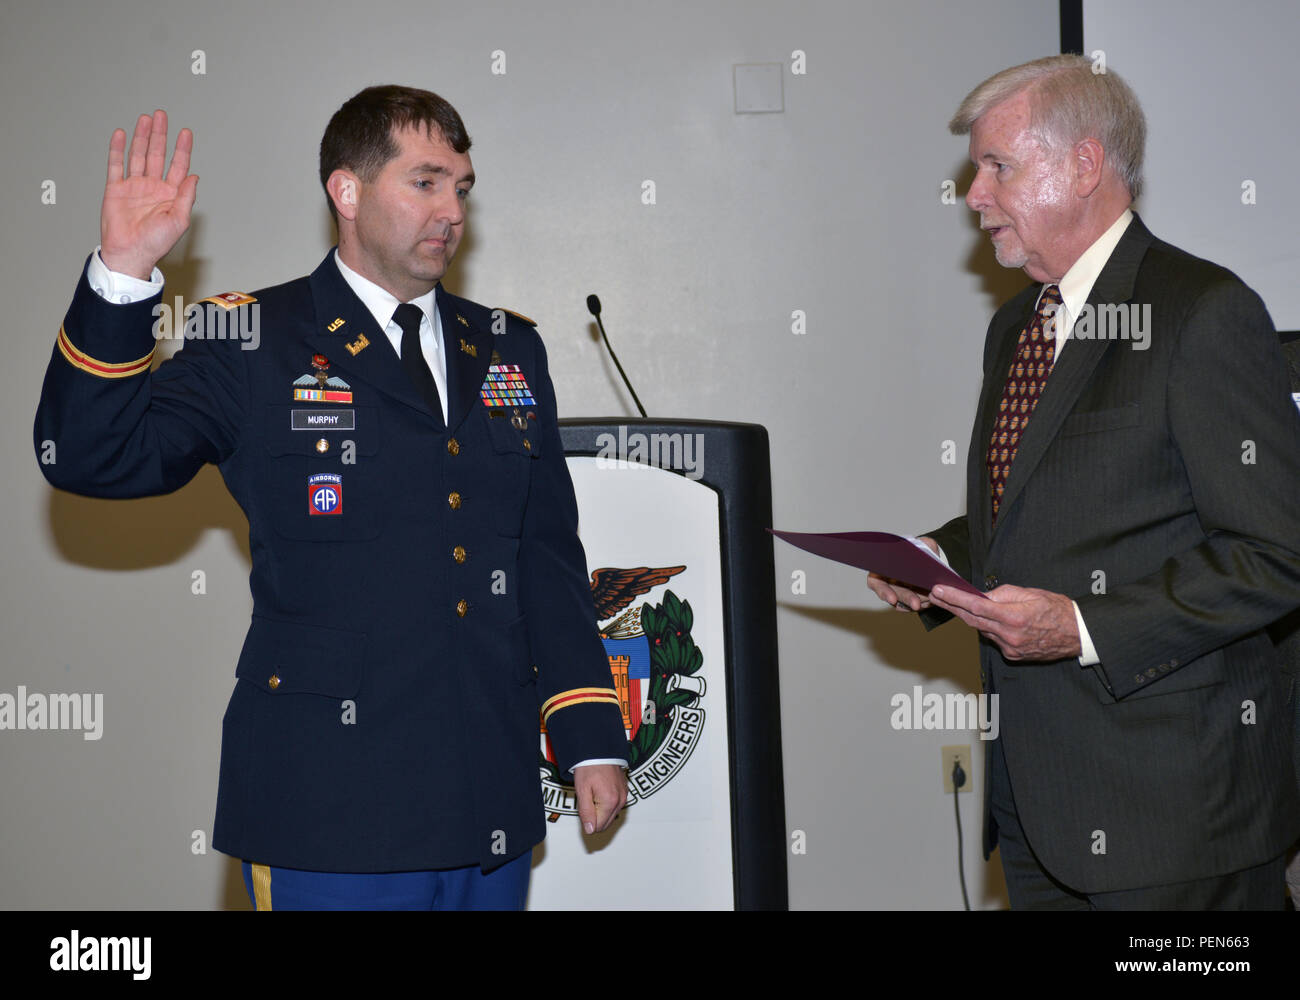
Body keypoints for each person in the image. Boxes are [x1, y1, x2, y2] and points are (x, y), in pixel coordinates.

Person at [34, 85, 629, 910]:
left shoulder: (508, 348)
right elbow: (94, 455)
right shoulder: (252, 339)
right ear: (346, 192)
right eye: (424, 182)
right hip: (327, 804)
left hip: (487, 802)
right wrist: (125, 278)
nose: (450, 209)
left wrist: (591, 735)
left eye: (461, 186)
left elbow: (546, 558)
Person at [868, 55, 1300, 909]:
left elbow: (1278, 551)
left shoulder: (1202, 311)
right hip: (1036, 809)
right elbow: (1047, 502)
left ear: (1084, 164)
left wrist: (1083, 625)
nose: (973, 197)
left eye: (998, 166)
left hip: (1175, 819)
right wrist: (932, 556)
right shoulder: (1016, 324)